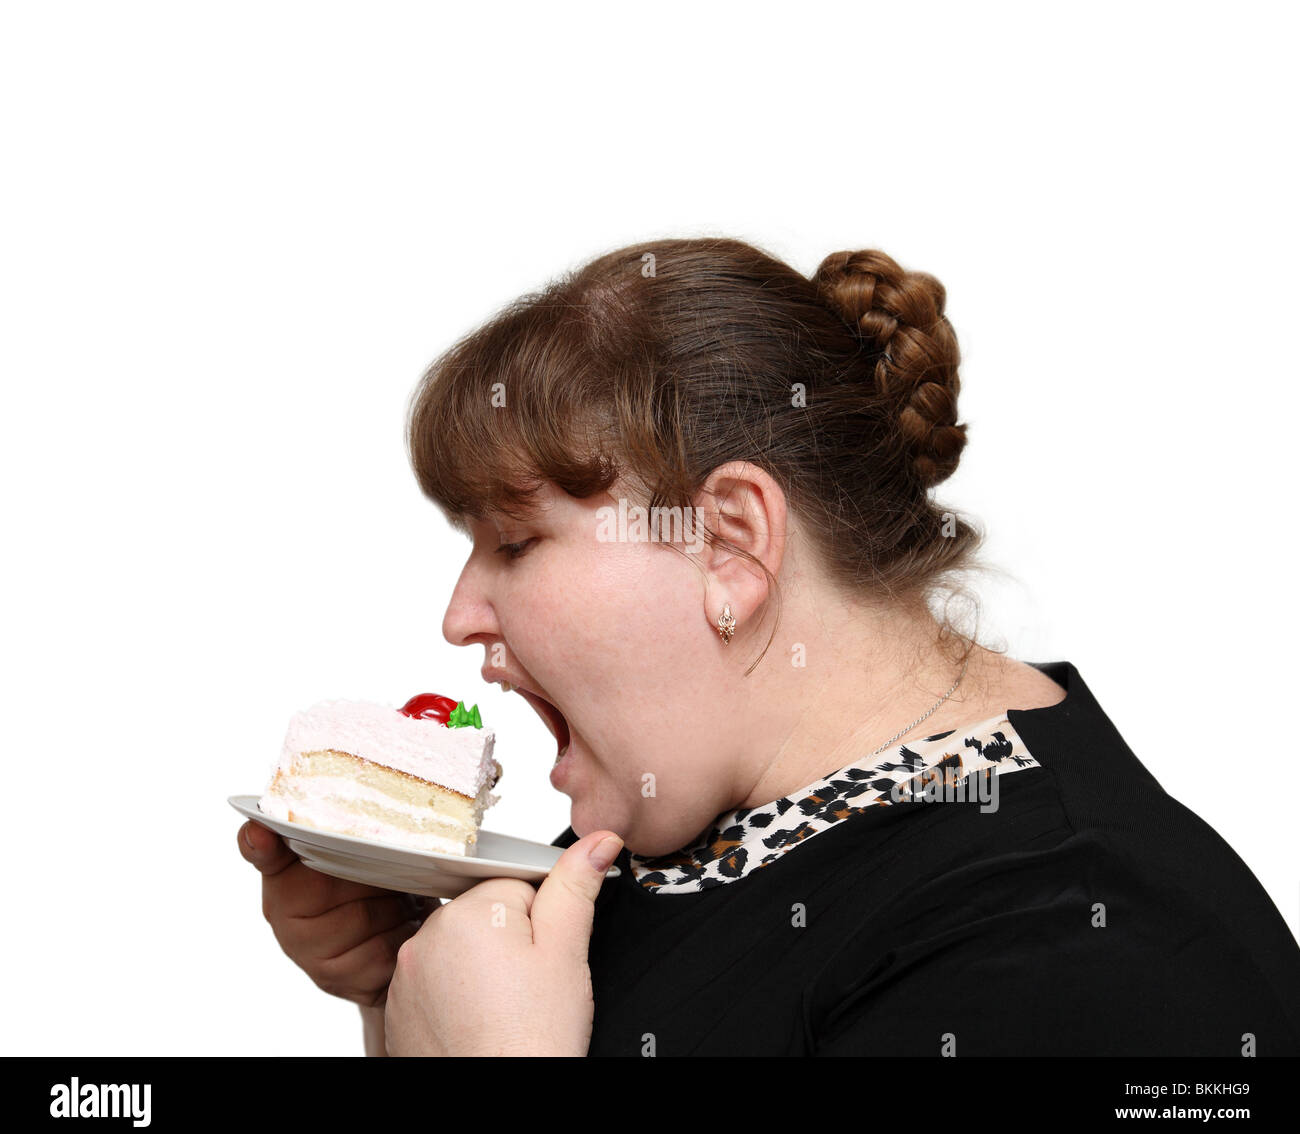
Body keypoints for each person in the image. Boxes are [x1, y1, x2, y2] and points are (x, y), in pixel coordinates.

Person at [239, 238, 1300, 1056]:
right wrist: (400, 995)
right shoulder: (675, 833)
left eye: (515, 541)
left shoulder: (1072, 955)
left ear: (729, 544)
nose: (461, 613)